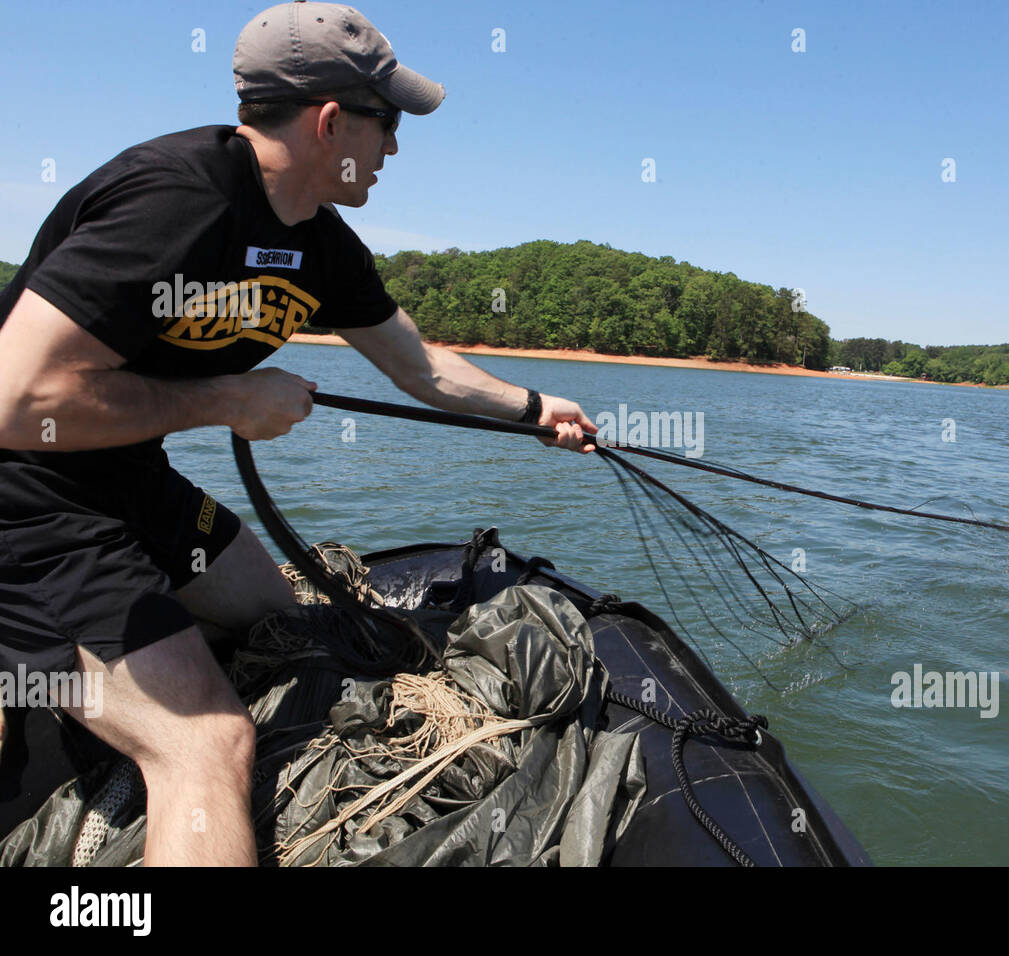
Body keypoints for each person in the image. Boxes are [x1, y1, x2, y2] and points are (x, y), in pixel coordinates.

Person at [0, 1, 597, 865]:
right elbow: (17, 399)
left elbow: (420, 369)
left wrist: (538, 411)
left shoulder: (320, 243)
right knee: (206, 746)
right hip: (26, 499)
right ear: (329, 121)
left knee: (287, 620)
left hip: (126, 482)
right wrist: (227, 401)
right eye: (386, 122)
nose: (393, 147)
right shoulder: (177, 200)